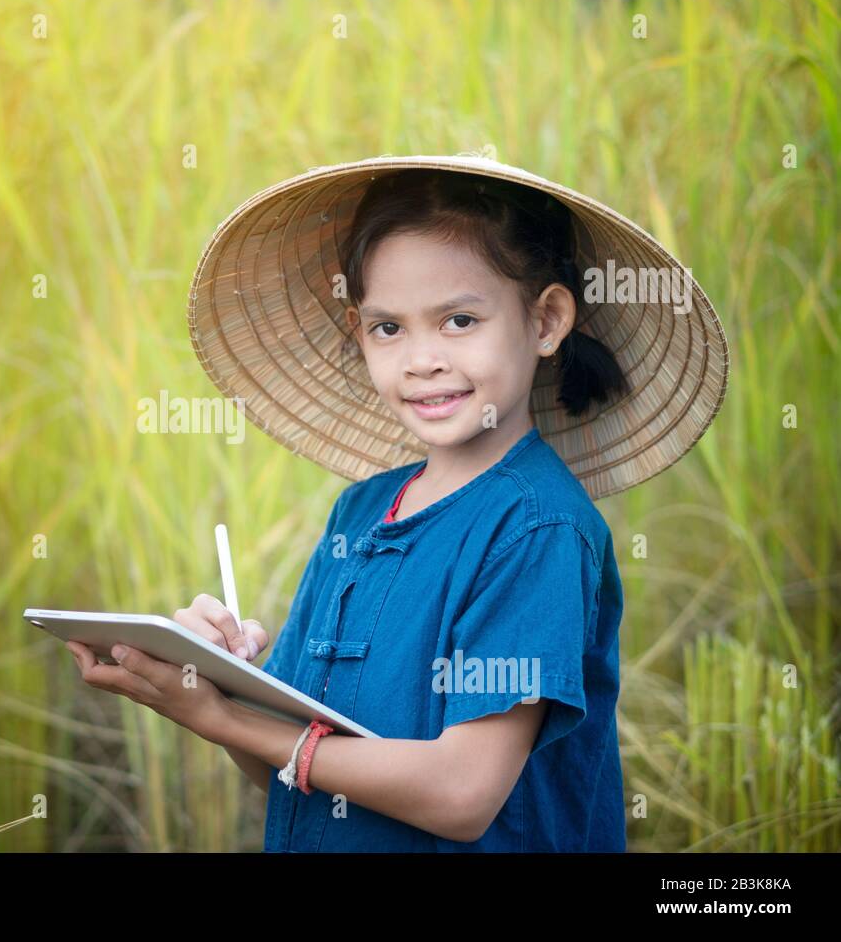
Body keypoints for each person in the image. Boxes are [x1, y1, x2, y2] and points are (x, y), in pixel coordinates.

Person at [66, 155, 729, 851]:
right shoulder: (360, 514)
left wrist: (227, 721)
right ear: (359, 332)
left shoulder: (537, 528)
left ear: (545, 320)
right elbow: (289, 771)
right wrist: (218, 686)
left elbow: (462, 793)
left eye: (460, 321)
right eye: (389, 328)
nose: (421, 359)